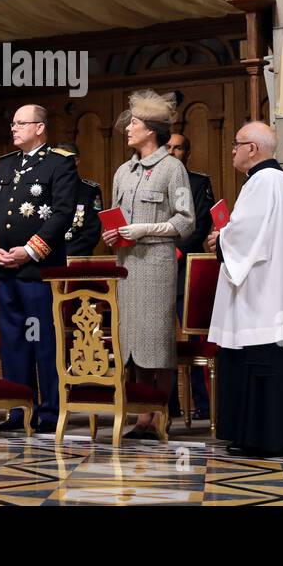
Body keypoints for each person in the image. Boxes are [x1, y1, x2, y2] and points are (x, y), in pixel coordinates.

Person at [205, 121, 283, 457]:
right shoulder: (277, 181)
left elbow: (247, 237)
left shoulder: (263, 182)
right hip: (272, 293)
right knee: (265, 366)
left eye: (236, 144)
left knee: (257, 364)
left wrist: (220, 238)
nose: (232, 150)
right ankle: (260, 436)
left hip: (261, 296)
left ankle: (261, 439)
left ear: (252, 149)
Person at [102, 90, 194, 439]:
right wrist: (113, 234)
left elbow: (185, 221)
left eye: (134, 124)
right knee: (133, 343)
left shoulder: (173, 168)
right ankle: (140, 415)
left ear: (151, 130)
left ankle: (160, 412)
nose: (128, 129)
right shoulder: (123, 171)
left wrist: (145, 230)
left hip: (156, 263)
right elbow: (115, 216)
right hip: (127, 266)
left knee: (157, 343)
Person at [0, 104, 76, 433]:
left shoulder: (59, 163)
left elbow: (63, 213)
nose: (14, 128)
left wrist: (29, 251)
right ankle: (18, 411)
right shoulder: (5, 165)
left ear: (39, 128)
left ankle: (49, 413)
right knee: (13, 341)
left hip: (39, 272)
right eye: (13, 123)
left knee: (43, 341)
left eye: (21, 123)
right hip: (6, 270)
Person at [167, 132, 214, 420]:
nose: (173, 152)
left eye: (179, 148)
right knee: (160, 342)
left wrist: (176, 252)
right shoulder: (154, 180)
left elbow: (200, 224)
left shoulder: (197, 182)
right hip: (156, 270)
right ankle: (166, 404)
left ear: (187, 152)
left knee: (196, 340)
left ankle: (204, 405)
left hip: (186, 269)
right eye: (168, 147)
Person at [56, 141, 103, 256]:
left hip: (78, 256)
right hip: (47, 256)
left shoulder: (90, 190)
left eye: (65, 159)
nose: (60, 164)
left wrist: (68, 254)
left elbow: (92, 231)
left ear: (76, 161)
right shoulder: (47, 190)